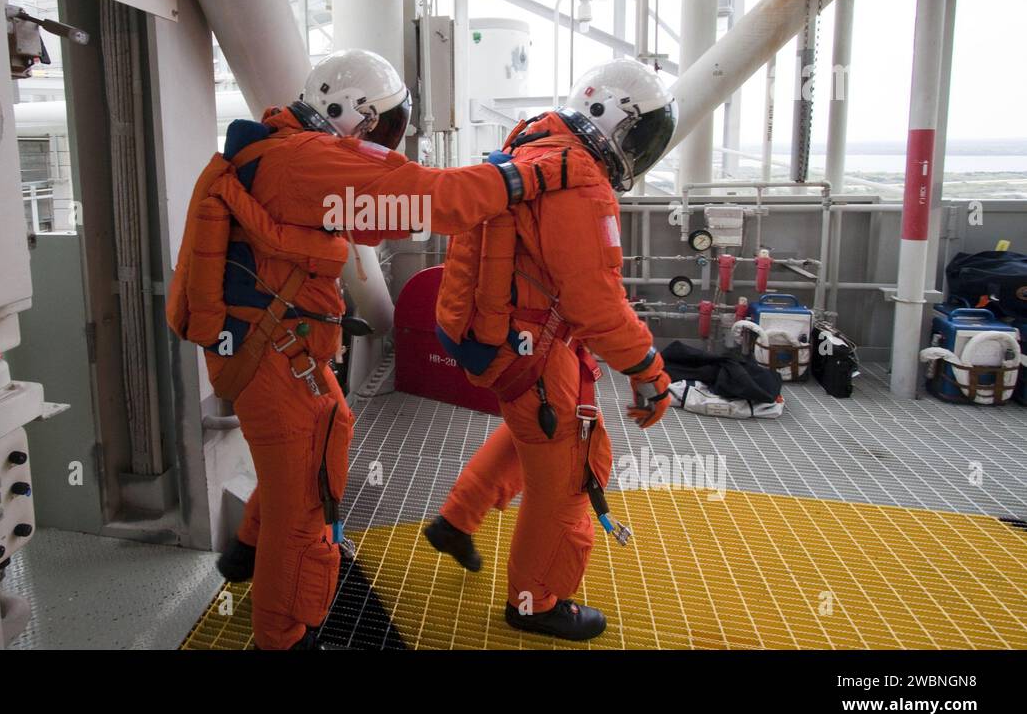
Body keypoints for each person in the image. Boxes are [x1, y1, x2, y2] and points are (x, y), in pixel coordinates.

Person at [167, 48, 606, 650]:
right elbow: (434, 202)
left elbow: (373, 219)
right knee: (304, 509)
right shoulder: (306, 162)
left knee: (317, 448)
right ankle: (284, 635)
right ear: (358, 115)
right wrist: (526, 176)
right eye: (385, 125)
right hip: (274, 357)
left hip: (267, 350)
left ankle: (245, 553)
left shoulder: (278, 148)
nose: (386, 139)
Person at [425, 58, 676, 641]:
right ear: (615, 119)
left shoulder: (531, 148)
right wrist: (647, 369)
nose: (638, 150)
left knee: (531, 432)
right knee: (567, 472)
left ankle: (456, 521)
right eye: (640, 136)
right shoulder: (580, 182)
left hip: (513, 342)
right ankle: (534, 603)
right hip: (531, 347)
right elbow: (595, 302)